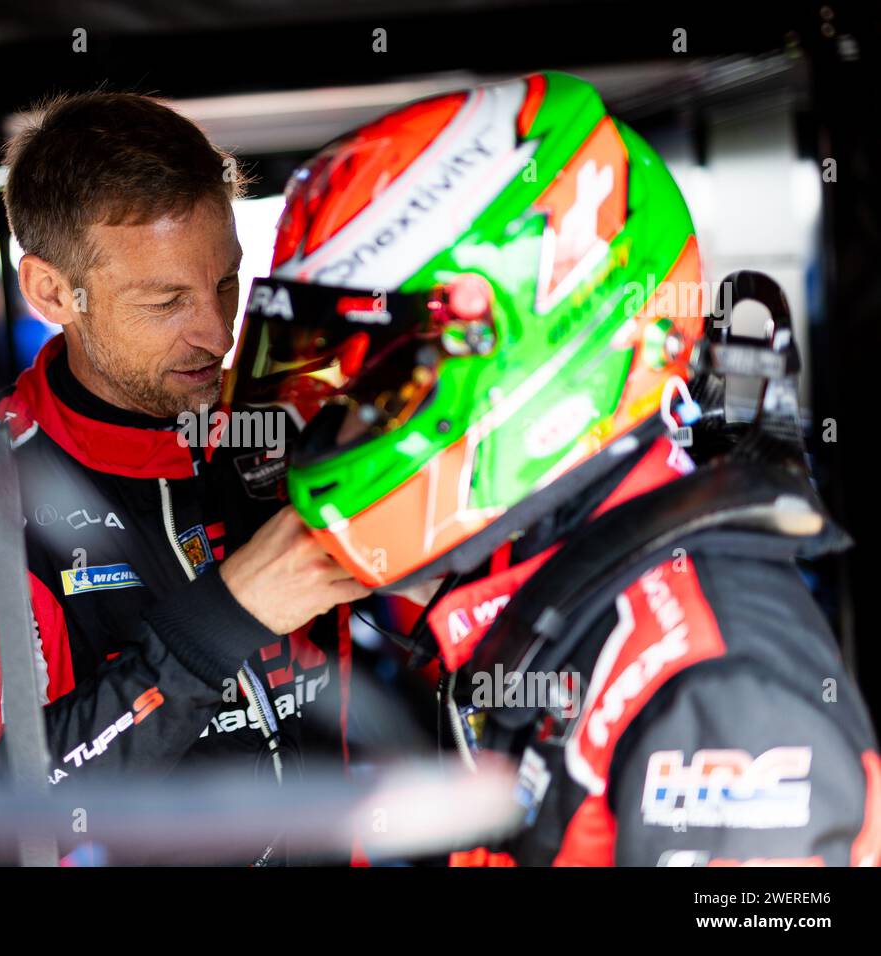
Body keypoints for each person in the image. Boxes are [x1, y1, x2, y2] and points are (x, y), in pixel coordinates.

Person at [227, 71, 881, 866]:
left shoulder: (711, 686)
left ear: (528, 352)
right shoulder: (546, 587)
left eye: (376, 374)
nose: (326, 414)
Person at [0, 92, 369, 863]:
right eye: (165, 300)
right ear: (51, 293)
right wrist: (223, 620)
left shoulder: (296, 428)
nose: (216, 332)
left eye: (225, 283)